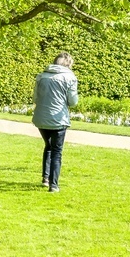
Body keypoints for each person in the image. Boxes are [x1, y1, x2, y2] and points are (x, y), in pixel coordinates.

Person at [31, 52, 79, 193]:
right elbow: (73, 102)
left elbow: (35, 98)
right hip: (59, 119)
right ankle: (54, 185)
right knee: (57, 151)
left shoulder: (41, 76)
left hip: (41, 118)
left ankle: (46, 178)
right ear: (68, 64)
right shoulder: (70, 77)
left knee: (49, 146)